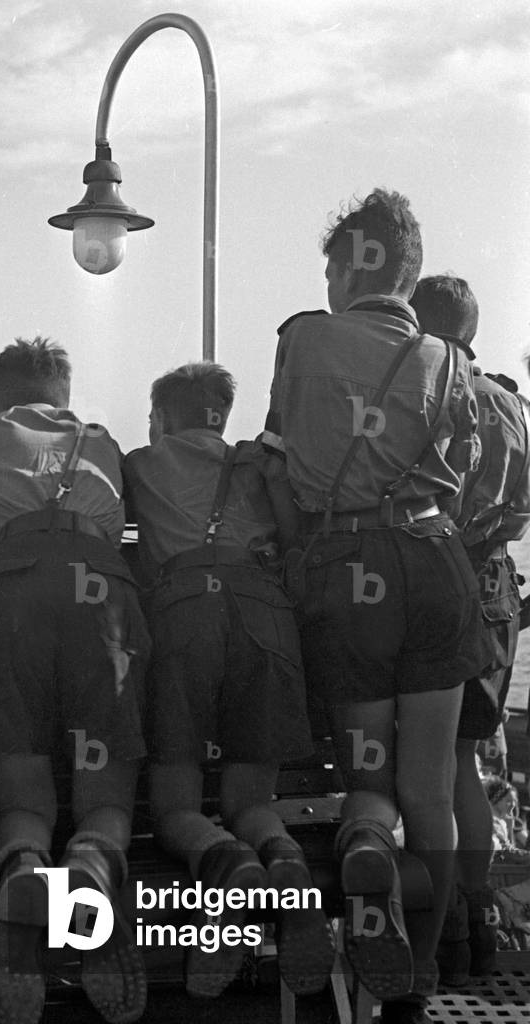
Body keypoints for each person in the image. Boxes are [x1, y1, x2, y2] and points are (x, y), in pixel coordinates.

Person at [262, 190, 490, 1024]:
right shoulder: (449, 359)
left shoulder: (305, 339)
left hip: (350, 570)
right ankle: (419, 977)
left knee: (371, 782)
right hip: (438, 567)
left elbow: (279, 467)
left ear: (347, 267)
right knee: (430, 784)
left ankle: (367, 924)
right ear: (411, 270)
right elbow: (458, 482)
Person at [123, 361, 335, 998]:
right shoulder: (259, 462)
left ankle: (231, 867)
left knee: (176, 809)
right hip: (265, 615)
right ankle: (287, 870)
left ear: (161, 418)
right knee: (252, 804)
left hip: (186, 612)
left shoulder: (142, 462)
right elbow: (297, 538)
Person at [0, 337, 149, 1024]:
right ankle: (93, 870)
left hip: (9, 592)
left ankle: (22, 867)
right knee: (104, 786)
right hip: (101, 591)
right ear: (66, 398)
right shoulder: (99, 442)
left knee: (24, 782)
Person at [410, 274, 530, 981]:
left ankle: (445, 934)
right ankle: (479, 923)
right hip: (499, 595)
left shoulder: (437, 396)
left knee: (432, 771)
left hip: (440, 582)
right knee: (466, 767)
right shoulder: (511, 405)